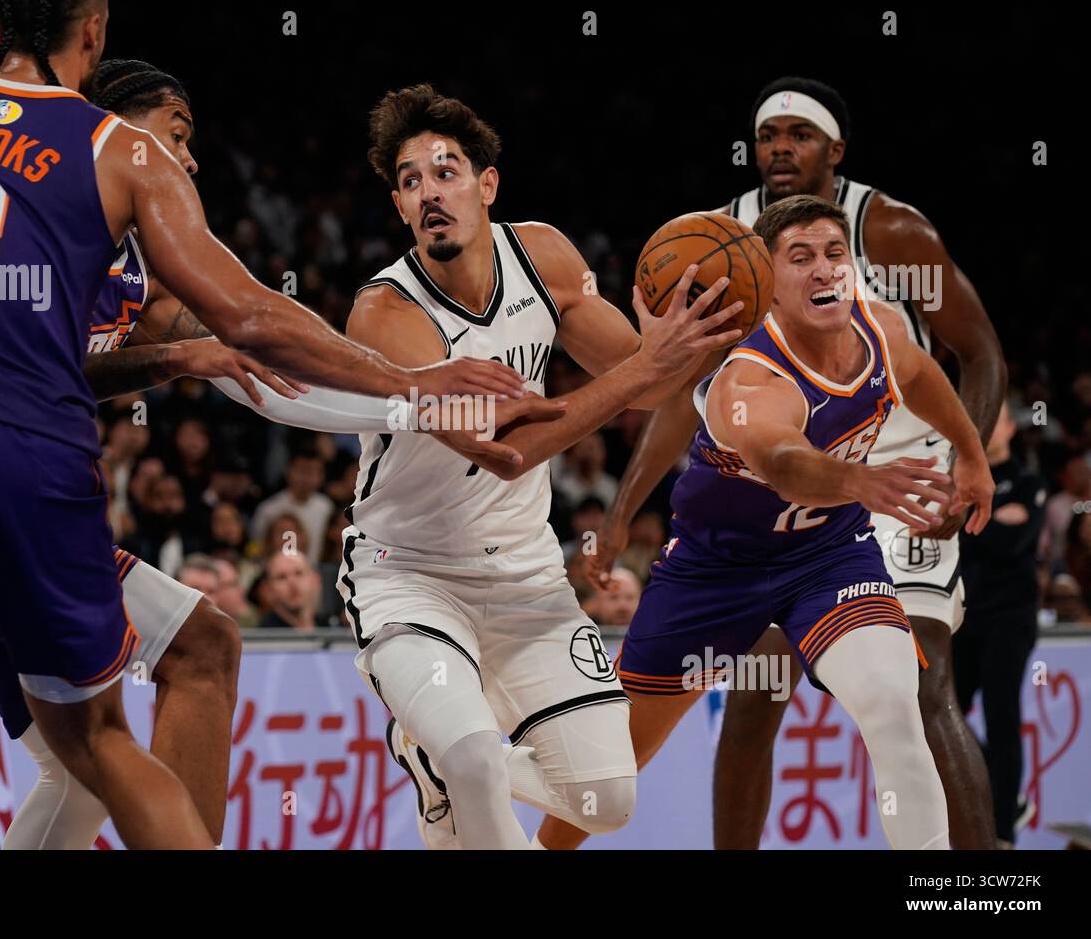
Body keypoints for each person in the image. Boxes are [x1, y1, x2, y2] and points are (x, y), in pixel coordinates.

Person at [0, 0, 527, 849]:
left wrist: (408, 404)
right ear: (94, 35)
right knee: (101, 743)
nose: (190, 157)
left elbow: (258, 374)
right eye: (180, 133)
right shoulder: (115, 158)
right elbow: (255, 317)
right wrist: (416, 385)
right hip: (27, 472)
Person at [586, 77, 1005, 848]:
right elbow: (686, 392)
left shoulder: (892, 231)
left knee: (917, 684)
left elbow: (971, 355)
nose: (780, 147)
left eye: (799, 135)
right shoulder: (720, 238)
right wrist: (621, 511)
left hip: (900, 474)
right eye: (769, 134)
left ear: (835, 150)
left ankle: (971, 883)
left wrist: (964, 462)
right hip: (775, 492)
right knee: (754, 693)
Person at [338, 84, 744, 849]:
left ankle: (433, 755)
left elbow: (649, 381)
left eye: (447, 171)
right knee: (473, 759)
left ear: (487, 185)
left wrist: (691, 339)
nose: (429, 191)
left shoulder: (546, 257)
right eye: (410, 180)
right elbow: (505, 450)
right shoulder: (384, 313)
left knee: (607, 799)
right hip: (410, 574)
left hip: (525, 576)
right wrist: (641, 371)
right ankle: (447, 756)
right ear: (398, 207)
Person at [954, 401, 1047, 845]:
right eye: (980, 420)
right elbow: (964, 536)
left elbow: (1012, 542)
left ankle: (1004, 831)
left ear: (1010, 428)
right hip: (965, 614)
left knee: (1001, 714)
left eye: (997, 419)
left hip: (1010, 618)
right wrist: (983, 523)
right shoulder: (961, 481)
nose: (988, 428)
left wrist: (966, 524)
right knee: (940, 705)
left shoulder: (1029, 482)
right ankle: (1006, 796)